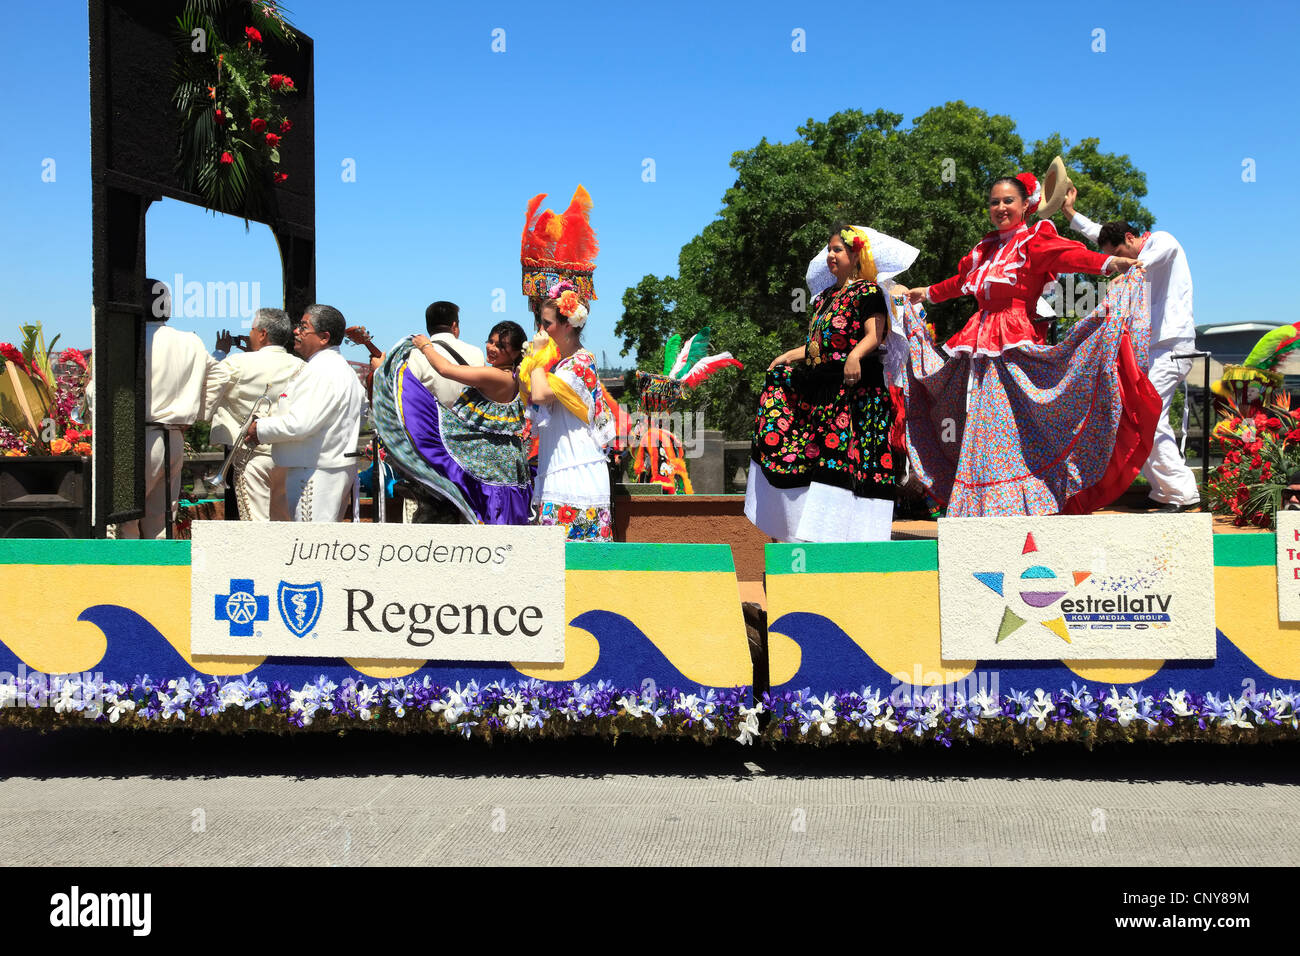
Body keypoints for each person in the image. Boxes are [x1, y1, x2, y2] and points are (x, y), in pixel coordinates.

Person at [901, 173, 1156, 517]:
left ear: (1025, 206)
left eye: (1008, 201)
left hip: (1013, 341)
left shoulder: (1033, 241)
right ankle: (981, 507)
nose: (1001, 207)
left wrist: (1111, 263)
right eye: (995, 202)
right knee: (980, 427)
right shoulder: (986, 249)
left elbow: (1072, 256)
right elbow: (962, 284)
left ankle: (1014, 506)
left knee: (1008, 427)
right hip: (979, 346)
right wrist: (928, 293)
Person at [745, 224, 913, 542]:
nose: (831, 255)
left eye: (838, 249)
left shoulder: (869, 292)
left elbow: (875, 335)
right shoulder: (824, 298)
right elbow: (817, 346)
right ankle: (795, 530)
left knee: (844, 467)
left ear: (855, 254)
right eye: (829, 249)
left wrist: (855, 356)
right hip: (822, 390)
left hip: (856, 392)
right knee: (779, 392)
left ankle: (847, 540)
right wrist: (789, 355)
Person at [1064, 186, 1200, 513]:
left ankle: (1182, 493)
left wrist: (1126, 273)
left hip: (1172, 347)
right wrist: (1069, 213)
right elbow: (1101, 234)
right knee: (1141, 416)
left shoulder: (1163, 241)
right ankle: (1169, 490)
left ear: (1131, 237)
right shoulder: (1131, 248)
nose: (1122, 262)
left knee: (1148, 418)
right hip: (1153, 349)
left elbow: (1145, 260)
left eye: (1123, 254)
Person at [370, 320, 532, 525]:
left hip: (492, 466)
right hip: (499, 464)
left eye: (501, 346)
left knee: (492, 522)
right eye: (490, 341)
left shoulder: (498, 375)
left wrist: (425, 346)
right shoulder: (511, 376)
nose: (492, 348)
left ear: (517, 352)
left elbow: (446, 369)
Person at [247, 304, 367, 522]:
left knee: (309, 548)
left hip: (313, 473)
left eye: (303, 327)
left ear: (324, 337)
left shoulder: (322, 370)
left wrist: (260, 428)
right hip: (328, 468)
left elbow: (300, 424)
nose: (296, 332)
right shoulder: (341, 368)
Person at [117, 278, 216, 539]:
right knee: (162, 523)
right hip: (173, 437)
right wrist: (198, 413)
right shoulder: (191, 341)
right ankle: (159, 578)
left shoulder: (126, 339)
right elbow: (219, 375)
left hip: (137, 437)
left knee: (122, 520)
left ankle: (126, 578)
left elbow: (98, 394)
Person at [521, 286, 616, 541]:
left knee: (579, 564)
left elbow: (540, 394)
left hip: (576, 471)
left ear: (568, 325)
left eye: (547, 323)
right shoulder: (562, 365)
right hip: (561, 467)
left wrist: (537, 356)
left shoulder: (580, 363)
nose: (542, 331)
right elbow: (530, 395)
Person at [204, 308, 303, 521]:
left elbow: (207, 386)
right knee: (285, 521)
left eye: (251, 329)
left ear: (262, 334)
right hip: (289, 455)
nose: (248, 334)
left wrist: (220, 352)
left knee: (255, 523)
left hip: (251, 457)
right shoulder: (302, 367)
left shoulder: (237, 363)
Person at [405, 301, 486, 408]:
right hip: (468, 423)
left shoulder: (415, 354)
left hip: (433, 423)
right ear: (454, 326)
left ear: (428, 326)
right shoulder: (476, 352)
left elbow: (406, 394)